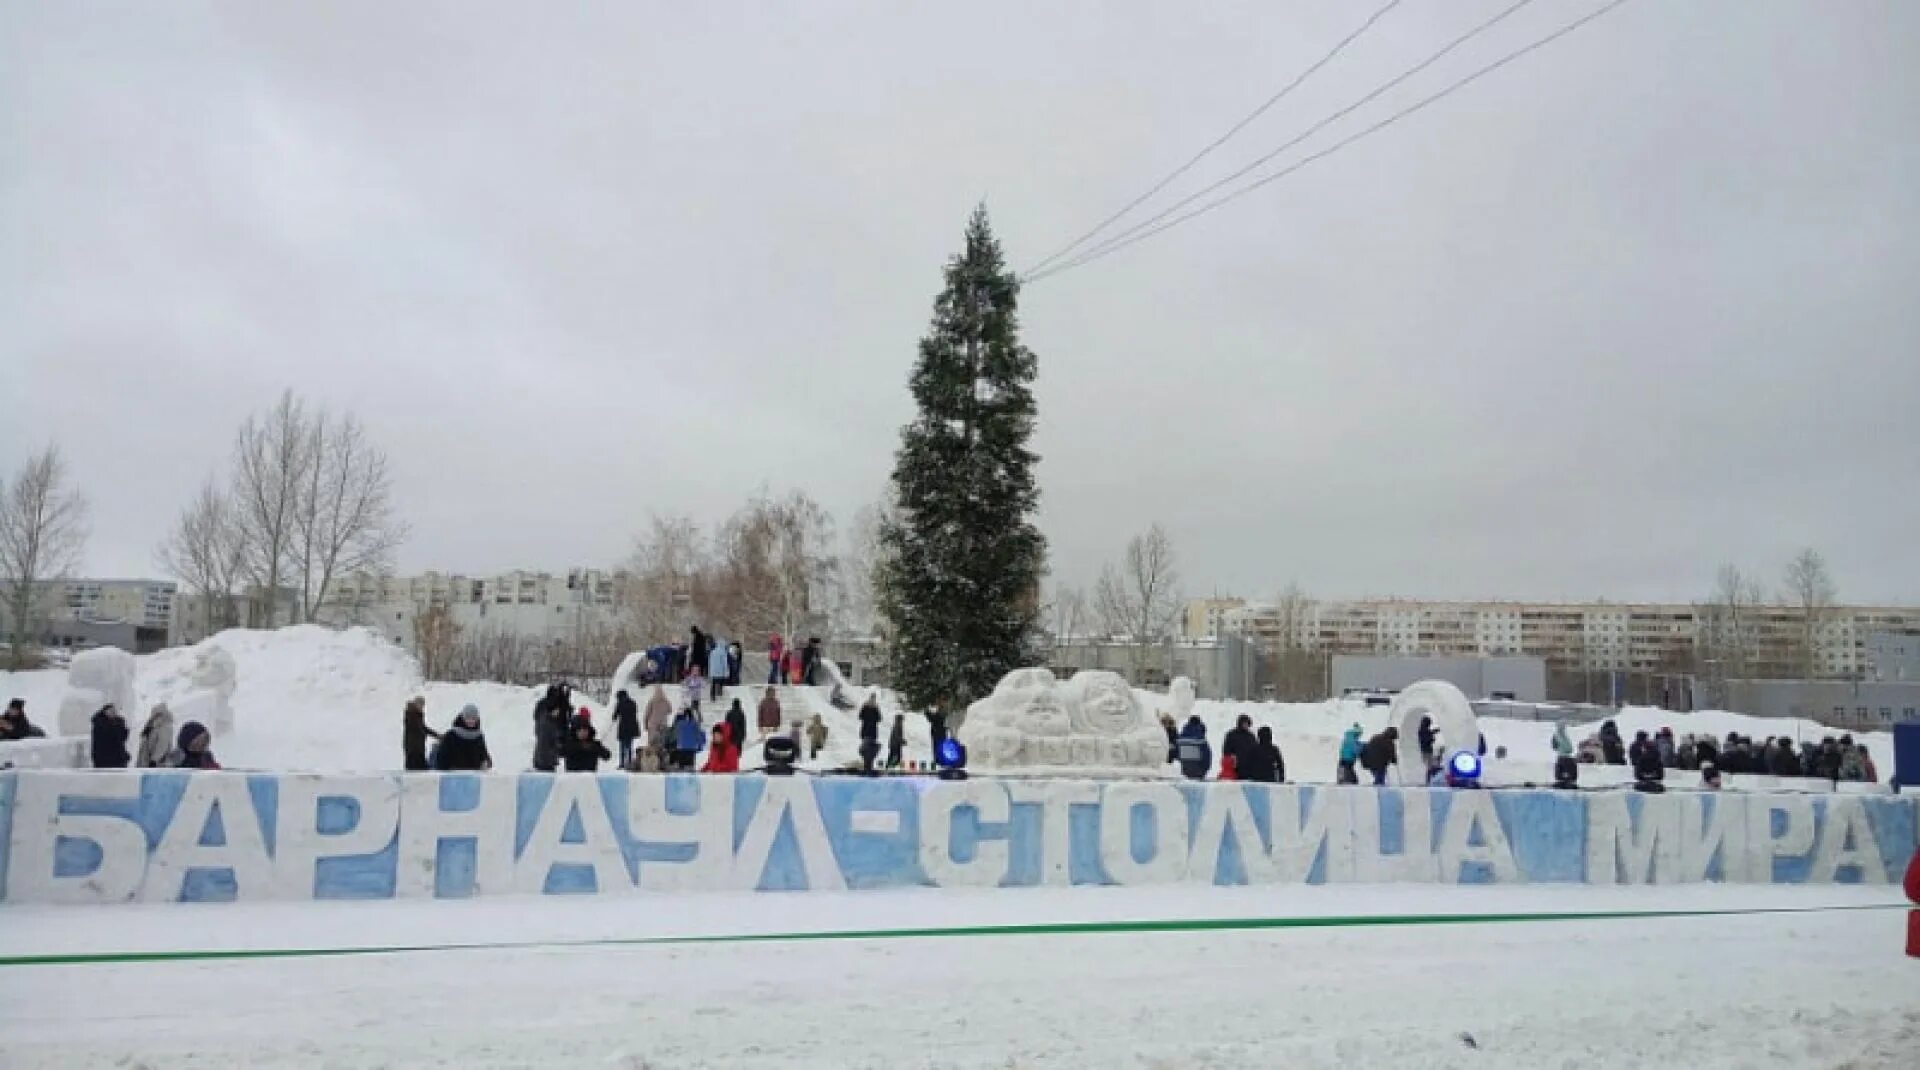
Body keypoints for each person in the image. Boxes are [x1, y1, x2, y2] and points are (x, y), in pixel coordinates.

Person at [435, 706, 493, 771]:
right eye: (468, 717)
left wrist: (486, 762)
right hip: (453, 776)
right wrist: (446, 768)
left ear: (477, 719)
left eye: (473, 718)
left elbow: (484, 754)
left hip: (474, 776)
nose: (471, 721)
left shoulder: (479, 736)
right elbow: (441, 757)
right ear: (463, 718)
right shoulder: (451, 735)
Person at [403, 696, 440, 772]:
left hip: (418, 748)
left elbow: (423, 728)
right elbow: (420, 728)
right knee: (417, 769)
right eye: (420, 704)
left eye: (423, 705)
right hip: (413, 749)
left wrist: (436, 735)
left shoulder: (417, 715)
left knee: (421, 768)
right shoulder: (412, 714)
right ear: (415, 704)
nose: (422, 707)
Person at [90, 704, 130, 769]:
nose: (113, 712)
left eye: (114, 710)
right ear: (105, 711)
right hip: (103, 758)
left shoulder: (119, 721)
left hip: (119, 758)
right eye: (111, 710)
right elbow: (105, 738)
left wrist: (124, 730)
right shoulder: (99, 722)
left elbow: (122, 739)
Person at [137, 703, 175, 768]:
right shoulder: (152, 726)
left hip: (157, 764)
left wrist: (154, 760)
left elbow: (162, 744)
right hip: (146, 762)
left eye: (157, 715)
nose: (154, 717)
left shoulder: (165, 727)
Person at [670, 705, 705, 771]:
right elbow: (699, 735)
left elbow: (675, 736)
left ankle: (682, 776)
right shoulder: (694, 724)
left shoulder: (680, 724)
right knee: (690, 767)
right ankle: (689, 778)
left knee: (681, 766)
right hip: (691, 749)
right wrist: (700, 746)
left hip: (681, 748)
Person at [611, 689, 640, 769]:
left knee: (622, 746)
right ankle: (630, 762)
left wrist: (614, 718)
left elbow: (615, 716)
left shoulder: (620, 704)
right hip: (632, 726)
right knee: (630, 745)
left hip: (623, 727)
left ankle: (622, 763)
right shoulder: (633, 703)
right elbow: (635, 712)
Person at [1222, 715, 1256, 782]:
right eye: (1244, 723)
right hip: (1235, 768)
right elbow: (1226, 751)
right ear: (1240, 723)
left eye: (1247, 723)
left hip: (1248, 768)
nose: (1246, 725)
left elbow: (1255, 751)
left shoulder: (1251, 736)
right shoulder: (1232, 735)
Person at [532, 701, 562, 773]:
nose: (558, 713)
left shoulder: (544, 721)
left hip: (543, 759)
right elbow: (545, 743)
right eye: (557, 710)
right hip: (546, 760)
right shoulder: (547, 723)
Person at [858, 693, 883, 773]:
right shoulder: (876, 707)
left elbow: (860, 716)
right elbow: (879, 718)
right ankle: (868, 767)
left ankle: (867, 767)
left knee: (867, 750)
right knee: (870, 751)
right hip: (872, 732)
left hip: (865, 731)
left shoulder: (865, 706)